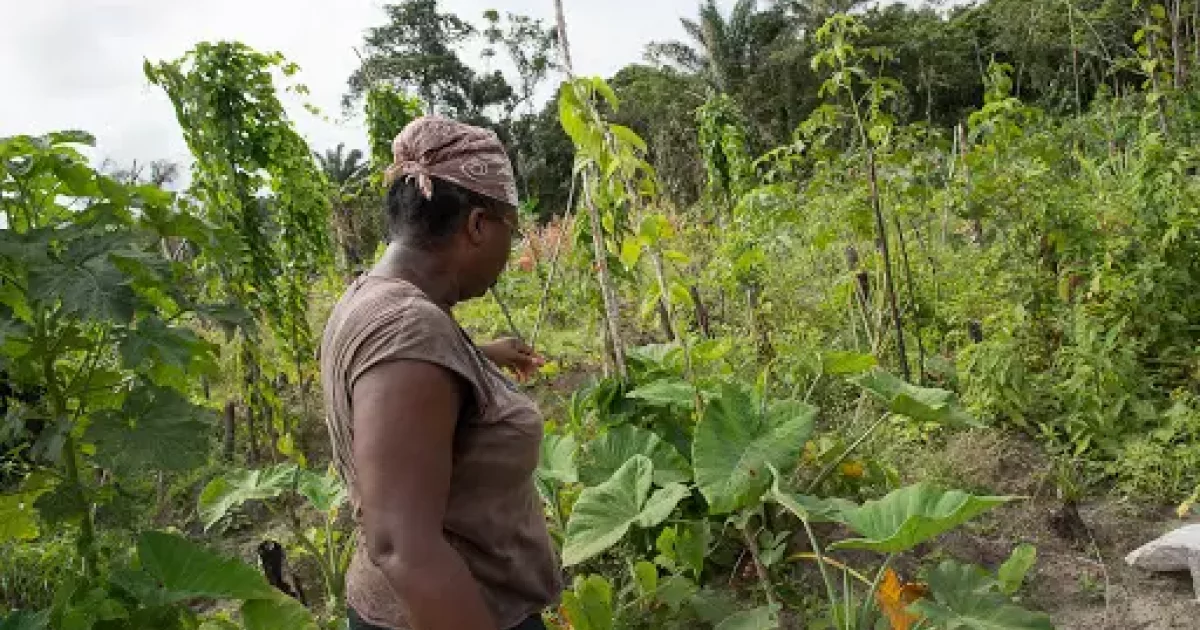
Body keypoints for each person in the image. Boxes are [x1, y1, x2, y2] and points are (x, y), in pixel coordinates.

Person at [320, 116, 561, 630]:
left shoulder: (371, 297)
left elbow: (411, 386)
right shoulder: (409, 329)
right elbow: (404, 548)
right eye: (509, 230)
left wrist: (483, 354)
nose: (509, 249)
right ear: (477, 225)